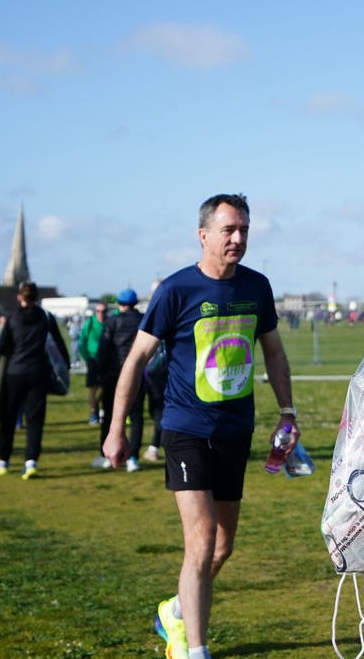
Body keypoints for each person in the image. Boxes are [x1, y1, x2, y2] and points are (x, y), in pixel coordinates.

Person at [103, 193, 298, 659]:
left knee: (222, 547)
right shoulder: (176, 290)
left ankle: (174, 609)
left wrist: (287, 412)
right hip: (186, 429)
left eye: (244, 230)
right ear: (203, 235)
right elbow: (136, 359)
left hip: (235, 431)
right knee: (202, 540)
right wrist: (115, 429)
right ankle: (195, 649)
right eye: (229, 229)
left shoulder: (256, 287)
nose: (238, 238)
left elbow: (273, 351)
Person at [0, 281, 68, 479]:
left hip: (14, 373)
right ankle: (31, 461)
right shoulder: (45, 317)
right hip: (38, 373)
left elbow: (0, 346)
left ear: (19, 297)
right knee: (35, 420)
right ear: (37, 297)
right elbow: (59, 344)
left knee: (8, 418)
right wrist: (64, 366)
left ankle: (3, 460)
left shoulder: (12, 318)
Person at [92, 288, 145, 472]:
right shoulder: (143, 320)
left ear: (119, 304)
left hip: (113, 374)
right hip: (138, 373)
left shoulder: (112, 321)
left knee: (109, 415)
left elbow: (103, 349)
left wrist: (100, 372)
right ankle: (133, 457)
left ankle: (106, 454)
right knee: (136, 416)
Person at [78, 302, 110, 425]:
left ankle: (98, 407)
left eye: (103, 311)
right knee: (93, 388)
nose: (101, 313)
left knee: (106, 387)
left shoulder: (109, 323)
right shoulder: (90, 323)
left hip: (106, 360)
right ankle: (93, 414)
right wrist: (87, 358)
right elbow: (82, 341)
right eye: (98, 311)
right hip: (92, 360)